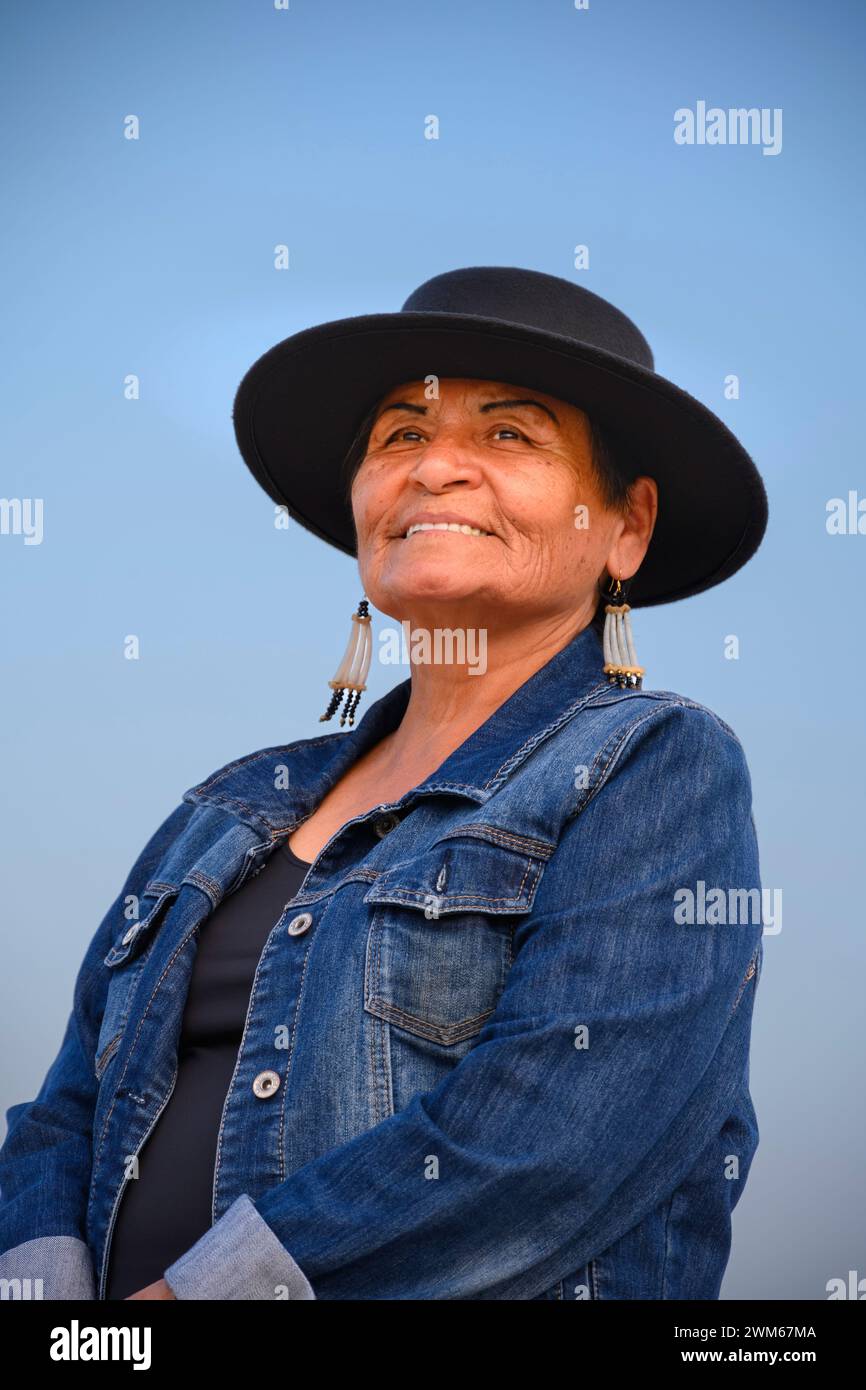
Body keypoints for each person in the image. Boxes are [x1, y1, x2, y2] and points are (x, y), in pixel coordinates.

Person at [0, 266, 768, 1301]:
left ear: (622, 525)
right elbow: (63, 1114)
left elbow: (550, 1145)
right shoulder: (228, 807)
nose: (434, 467)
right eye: (400, 433)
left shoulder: (655, 763)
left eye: (508, 433)